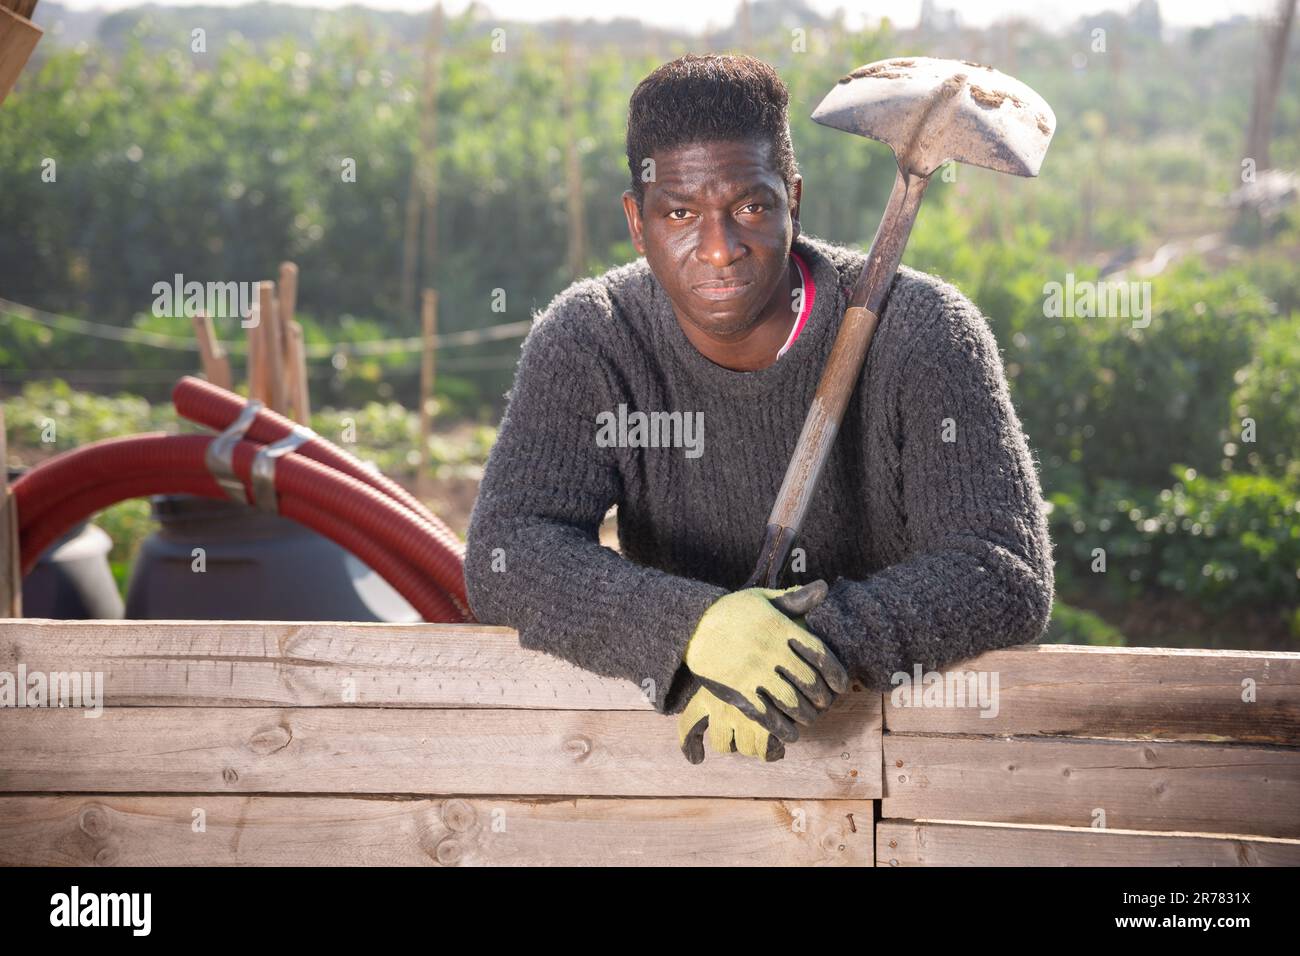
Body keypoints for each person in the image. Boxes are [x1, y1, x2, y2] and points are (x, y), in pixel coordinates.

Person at [464, 53, 1054, 764]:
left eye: (749, 207)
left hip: (896, 756)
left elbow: (1001, 571)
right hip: (688, 759)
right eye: (680, 212)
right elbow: (508, 552)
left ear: (792, 201)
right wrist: (696, 630)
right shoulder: (595, 338)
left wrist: (795, 653)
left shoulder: (923, 329)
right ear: (636, 221)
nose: (719, 250)